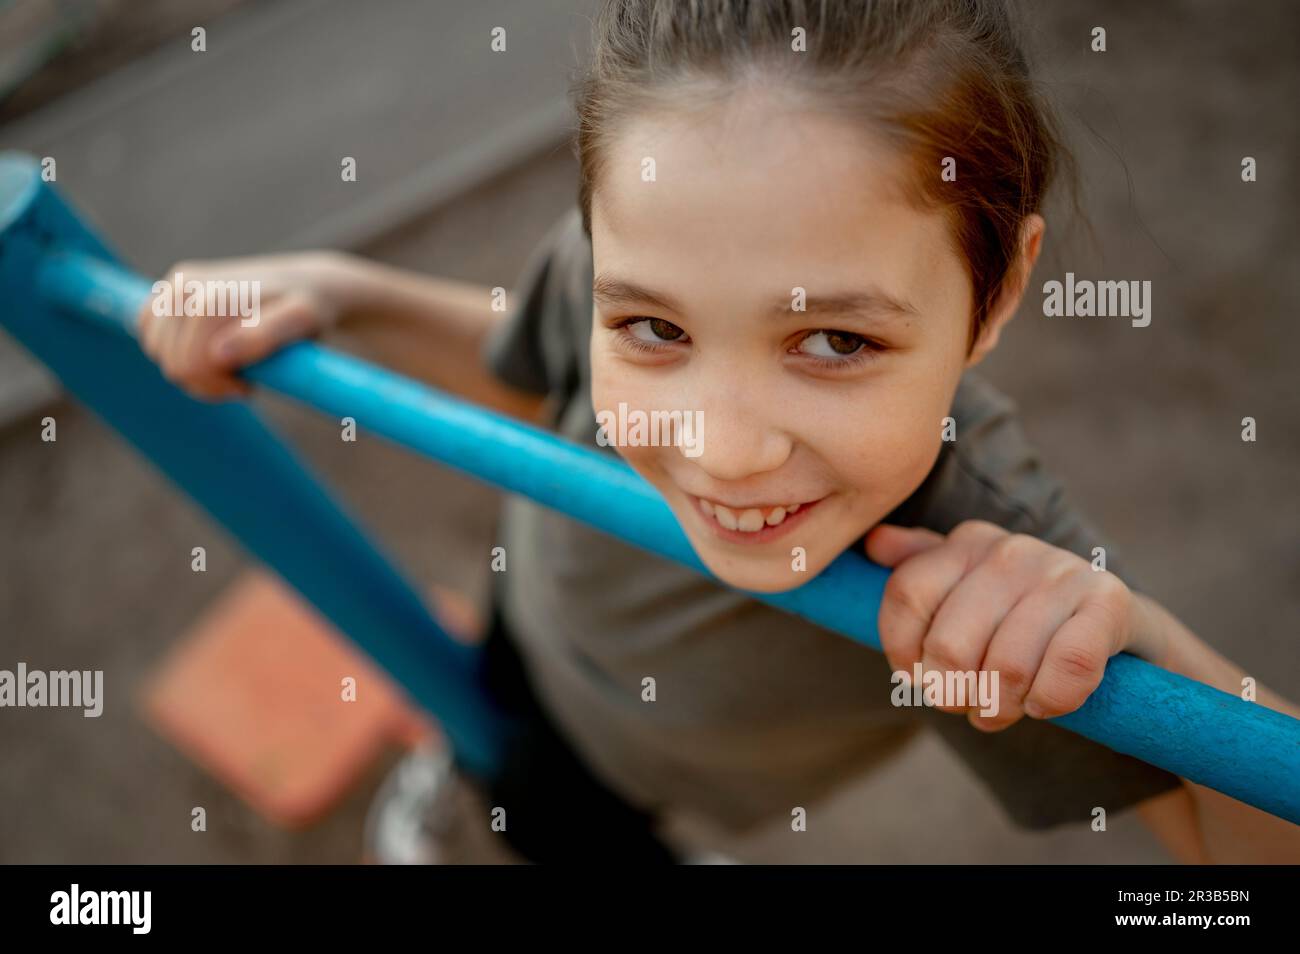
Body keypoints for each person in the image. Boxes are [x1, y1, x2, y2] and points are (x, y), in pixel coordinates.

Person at [133, 0, 1300, 863]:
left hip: (643, 774)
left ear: (996, 294)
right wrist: (346, 294)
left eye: (835, 344)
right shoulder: (617, 258)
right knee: (492, 719)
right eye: (653, 330)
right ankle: (470, 766)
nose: (721, 449)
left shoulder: (982, 566)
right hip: (534, 610)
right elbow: (529, 368)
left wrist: (1147, 641)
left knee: (553, 824)